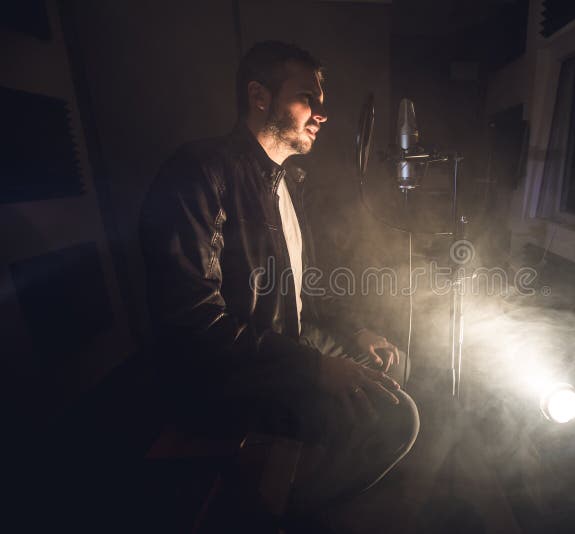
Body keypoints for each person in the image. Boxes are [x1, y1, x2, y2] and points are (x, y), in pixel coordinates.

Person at [139, 41, 419, 512]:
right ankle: (284, 514)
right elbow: (192, 322)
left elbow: (305, 289)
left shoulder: (289, 182)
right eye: (308, 97)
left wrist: (357, 331)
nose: (322, 113)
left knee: (395, 363)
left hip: (286, 343)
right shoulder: (200, 172)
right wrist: (314, 367)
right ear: (260, 96)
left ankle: (297, 479)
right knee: (397, 420)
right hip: (231, 372)